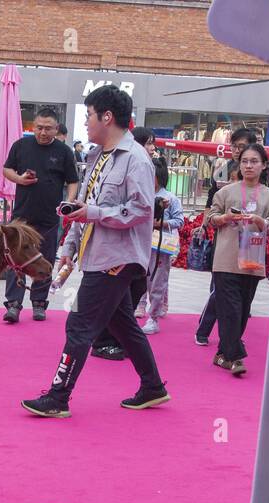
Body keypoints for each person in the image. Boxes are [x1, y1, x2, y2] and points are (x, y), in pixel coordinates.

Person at [22, 86, 169, 418]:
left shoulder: (136, 160)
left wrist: (94, 214)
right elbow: (83, 208)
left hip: (119, 258)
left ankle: (59, 397)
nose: (85, 122)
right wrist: (68, 249)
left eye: (89, 115)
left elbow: (141, 210)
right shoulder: (96, 156)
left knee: (79, 324)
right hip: (96, 253)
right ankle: (153, 386)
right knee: (122, 324)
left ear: (107, 117)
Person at [202, 143, 269, 376]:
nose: (249, 165)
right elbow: (211, 217)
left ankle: (222, 354)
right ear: (239, 163)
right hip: (226, 259)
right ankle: (235, 357)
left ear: (263, 165)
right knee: (231, 311)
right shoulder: (225, 192)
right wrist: (225, 218)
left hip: (253, 262)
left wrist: (260, 222)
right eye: (245, 161)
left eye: (254, 161)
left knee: (243, 311)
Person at [1, 107, 80, 324]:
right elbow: (6, 169)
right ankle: (14, 304)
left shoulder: (64, 152)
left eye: (48, 128)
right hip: (22, 216)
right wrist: (19, 179)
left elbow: (72, 181)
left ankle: (39, 303)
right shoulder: (21, 145)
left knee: (44, 259)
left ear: (56, 129)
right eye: (38, 128)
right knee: (15, 259)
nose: (42, 132)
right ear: (33, 126)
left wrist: (69, 203)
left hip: (49, 216)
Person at [195, 127, 261, 347]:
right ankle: (205, 330)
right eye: (234, 146)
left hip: (252, 243)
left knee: (244, 296)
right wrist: (205, 226)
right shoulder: (223, 171)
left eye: (241, 147)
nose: (236, 151)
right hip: (225, 240)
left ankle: (230, 340)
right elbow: (210, 205)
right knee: (219, 290)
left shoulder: (263, 179)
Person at [93, 126, 154, 357]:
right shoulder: (102, 158)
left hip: (131, 250)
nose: (152, 148)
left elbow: (140, 207)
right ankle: (101, 342)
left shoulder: (139, 161)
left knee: (124, 309)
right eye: (149, 142)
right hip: (111, 251)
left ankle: (152, 384)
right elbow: (91, 203)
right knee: (82, 321)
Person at [137, 157, 184, 335]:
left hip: (161, 245)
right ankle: (142, 306)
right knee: (142, 278)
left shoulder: (170, 198)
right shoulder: (141, 195)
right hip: (142, 243)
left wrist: (161, 224)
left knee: (158, 281)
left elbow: (179, 220)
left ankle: (153, 317)